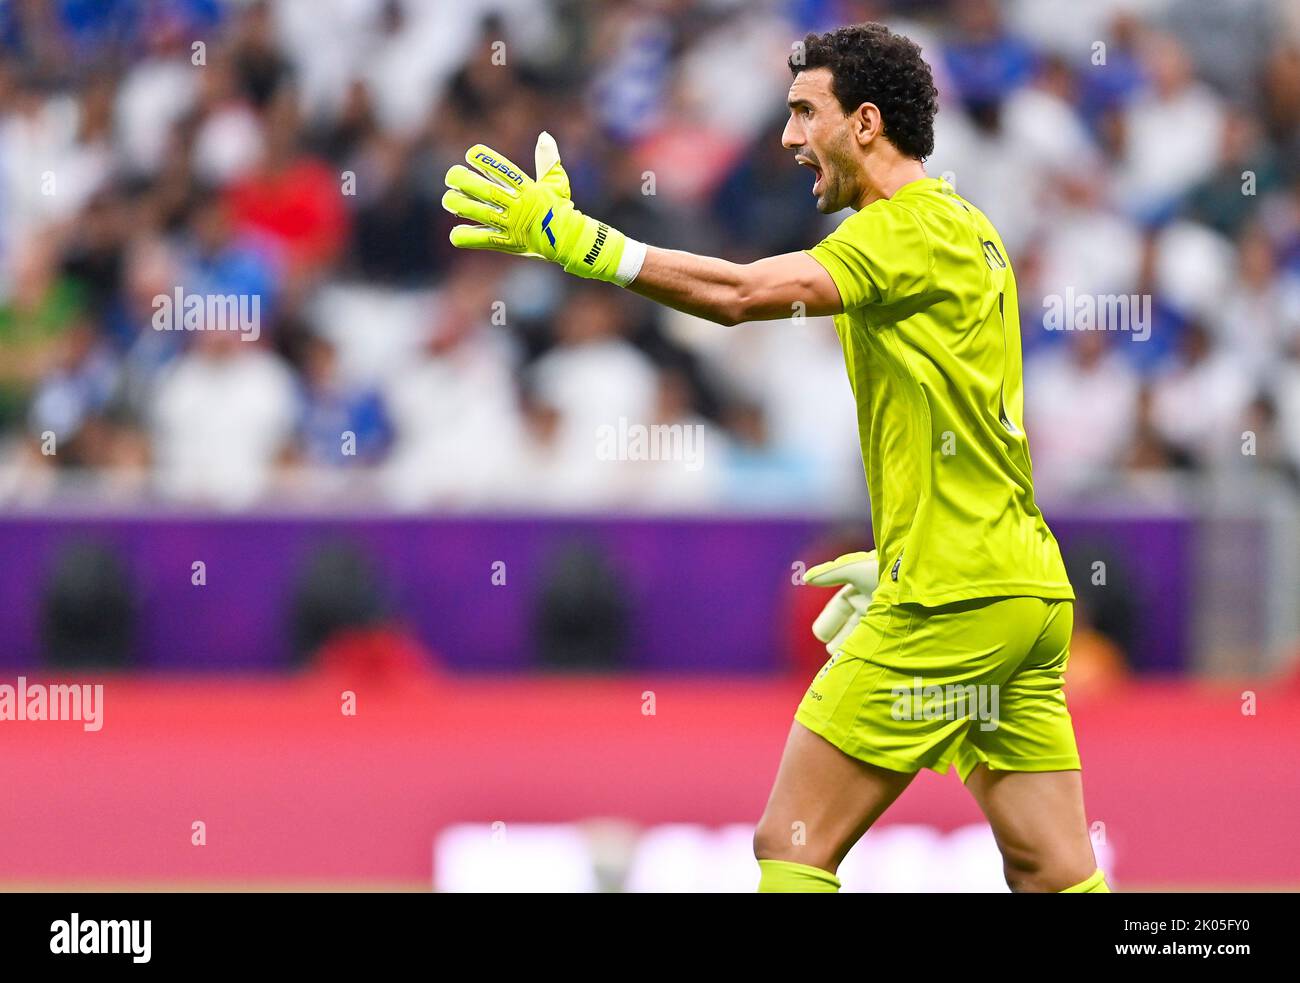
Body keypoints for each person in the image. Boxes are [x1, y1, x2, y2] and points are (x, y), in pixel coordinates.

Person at [441, 21, 1108, 894]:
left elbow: (742, 293)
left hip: (953, 592)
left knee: (792, 840)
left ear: (865, 122)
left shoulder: (901, 229)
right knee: (1052, 868)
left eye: (804, 113)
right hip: (1023, 590)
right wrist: (904, 548)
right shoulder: (968, 228)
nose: (789, 137)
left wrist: (586, 244)